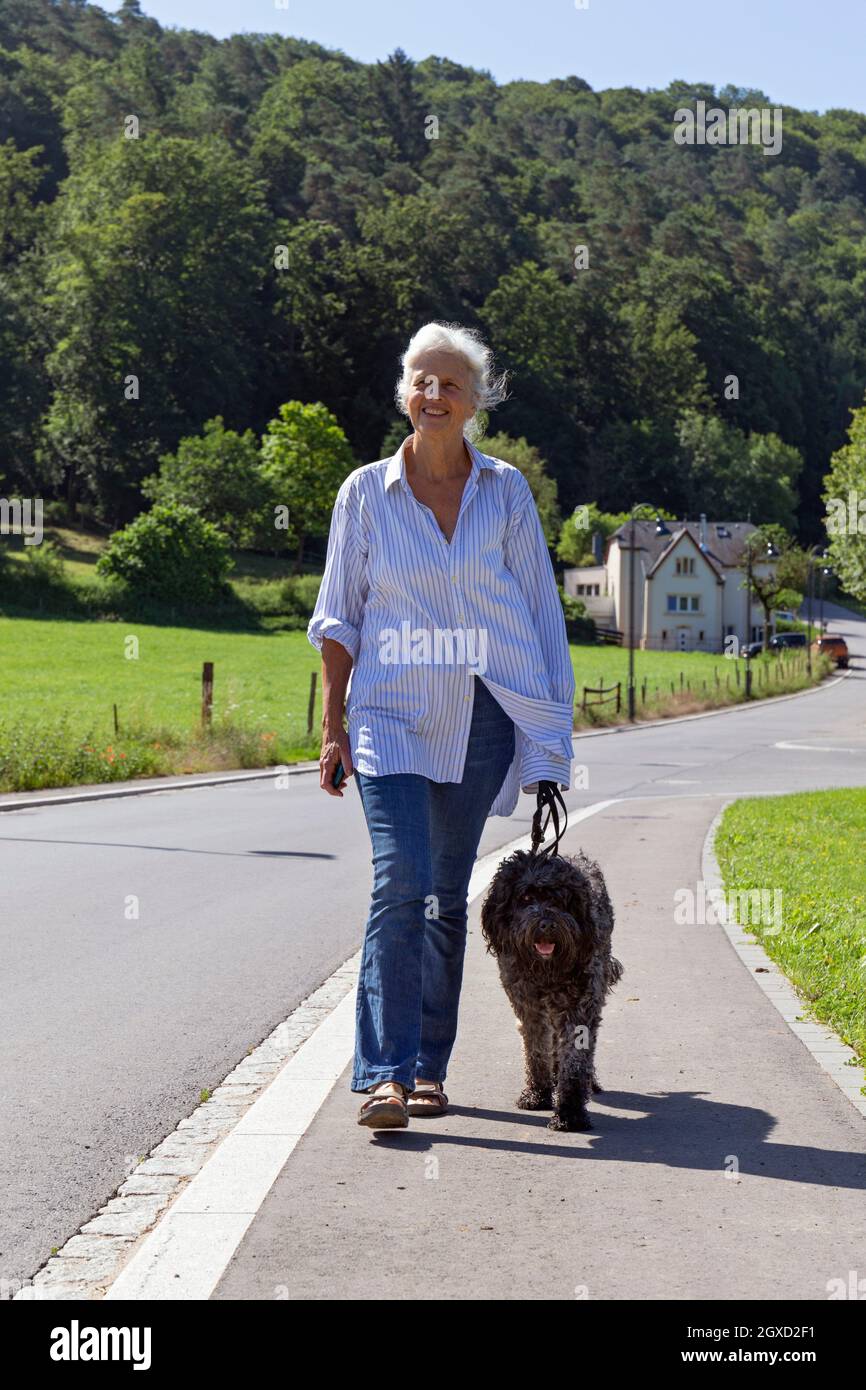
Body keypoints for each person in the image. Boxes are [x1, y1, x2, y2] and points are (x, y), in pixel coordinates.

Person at [307, 322, 575, 1128]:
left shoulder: (506, 492)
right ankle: (385, 1075)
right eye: (421, 381)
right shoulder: (364, 493)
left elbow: (541, 616)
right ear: (404, 394)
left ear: (475, 401)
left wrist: (548, 744)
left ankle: (429, 1066)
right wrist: (332, 725)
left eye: (449, 383)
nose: (433, 394)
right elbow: (338, 617)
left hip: (483, 716)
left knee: (445, 897)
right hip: (389, 713)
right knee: (401, 882)